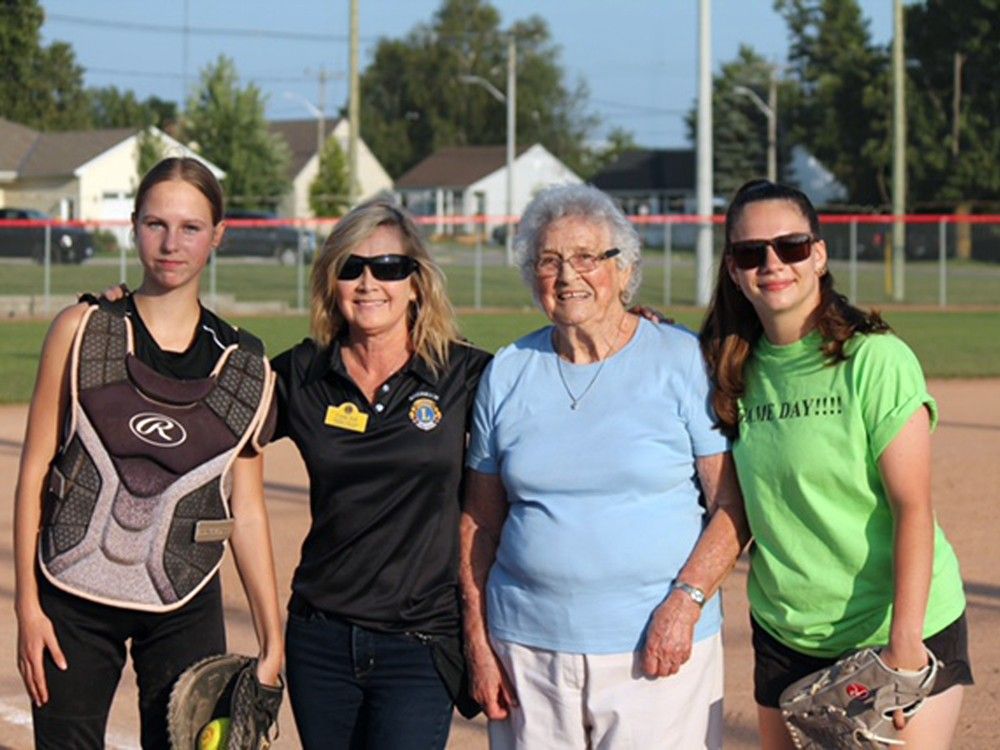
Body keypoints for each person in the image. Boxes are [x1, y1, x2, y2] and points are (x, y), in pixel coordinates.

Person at [460, 183, 749, 749]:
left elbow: (731, 506)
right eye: (549, 260)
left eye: (587, 257)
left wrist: (684, 604)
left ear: (624, 269)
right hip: (527, 650)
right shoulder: (510, 370)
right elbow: (480, 521)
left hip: (656, 649)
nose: (568, 276)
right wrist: (477, 639)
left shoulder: (681, 359)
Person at [13, 157, 284, 749]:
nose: (170, 243)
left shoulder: (244, 367)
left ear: (218, 234)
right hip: (73, 595)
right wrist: (28, 610)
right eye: (155, 224)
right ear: (133, 227)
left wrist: (272, 640)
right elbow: (35, 469)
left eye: (190, 227)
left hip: (183, 596)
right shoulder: (81, 329)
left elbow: (250, 510)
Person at [700, 179, 972, 749]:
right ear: (732, 270)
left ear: (819, 256)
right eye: (751, 253)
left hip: (890, 627)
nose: (772, 264)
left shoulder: (874, 359)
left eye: (791, 246)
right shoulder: (732, 369)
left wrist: (904, 644)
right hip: (786, 632)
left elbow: (913, 507)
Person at [270, 200, 491, 749]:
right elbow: (204, 409)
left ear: (416, 283)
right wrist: (130, 311)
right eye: (351, 267)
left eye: (389, 267)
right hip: (319, 637)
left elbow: (564, 376)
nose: (369, 282)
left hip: (418, 643)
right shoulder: (303, 374)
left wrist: (635, 323)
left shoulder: (464, 374)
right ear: (331, 282)